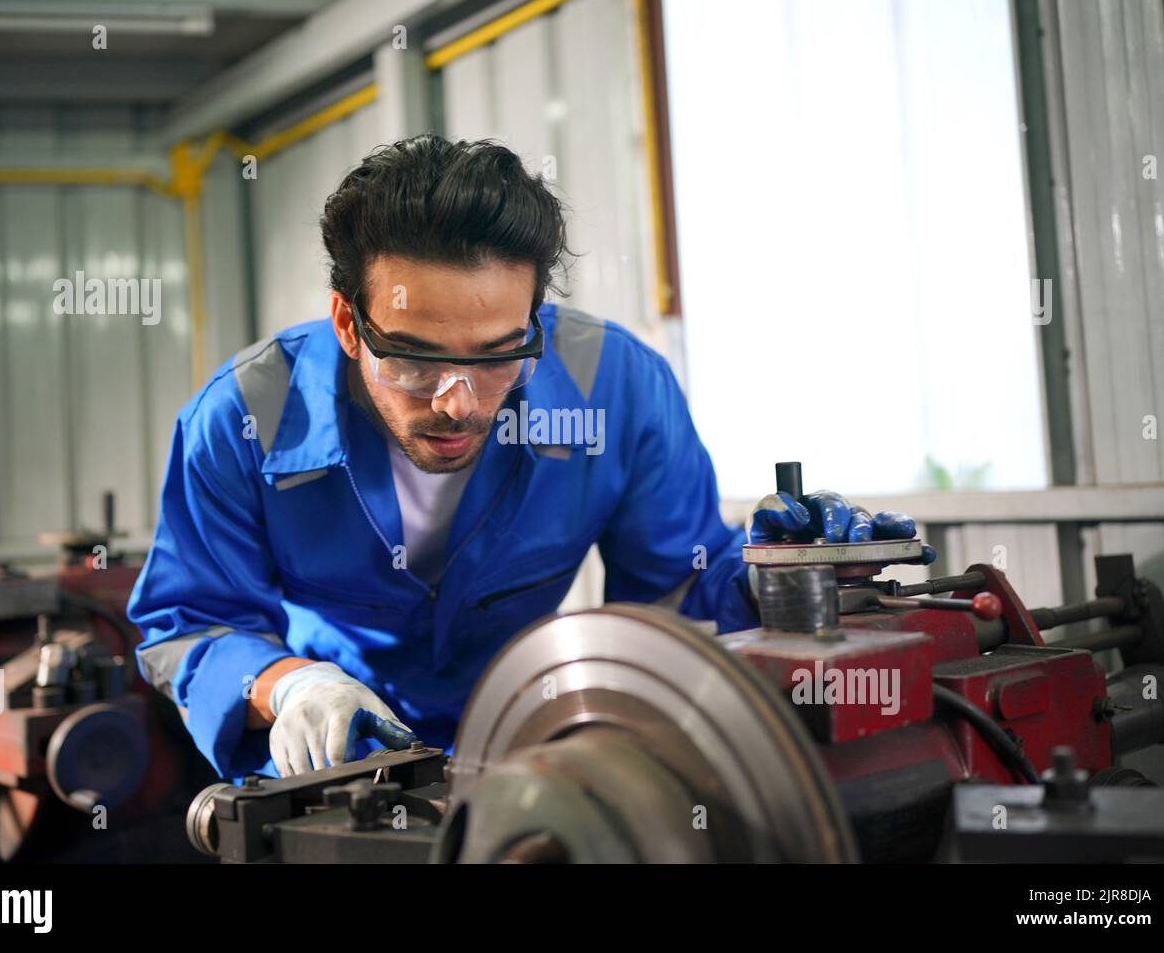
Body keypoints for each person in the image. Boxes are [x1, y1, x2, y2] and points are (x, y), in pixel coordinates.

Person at [127, 135, 928, 780]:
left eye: (498, 355)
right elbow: (188, 622)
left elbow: (676, 598)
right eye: (412, 360)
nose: (459, 402)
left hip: (540, 753)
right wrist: (290, 685)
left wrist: (774, 578)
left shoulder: (616, 389)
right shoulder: (245, 416)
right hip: (337, 764)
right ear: (347, 321)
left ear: (536, 319)